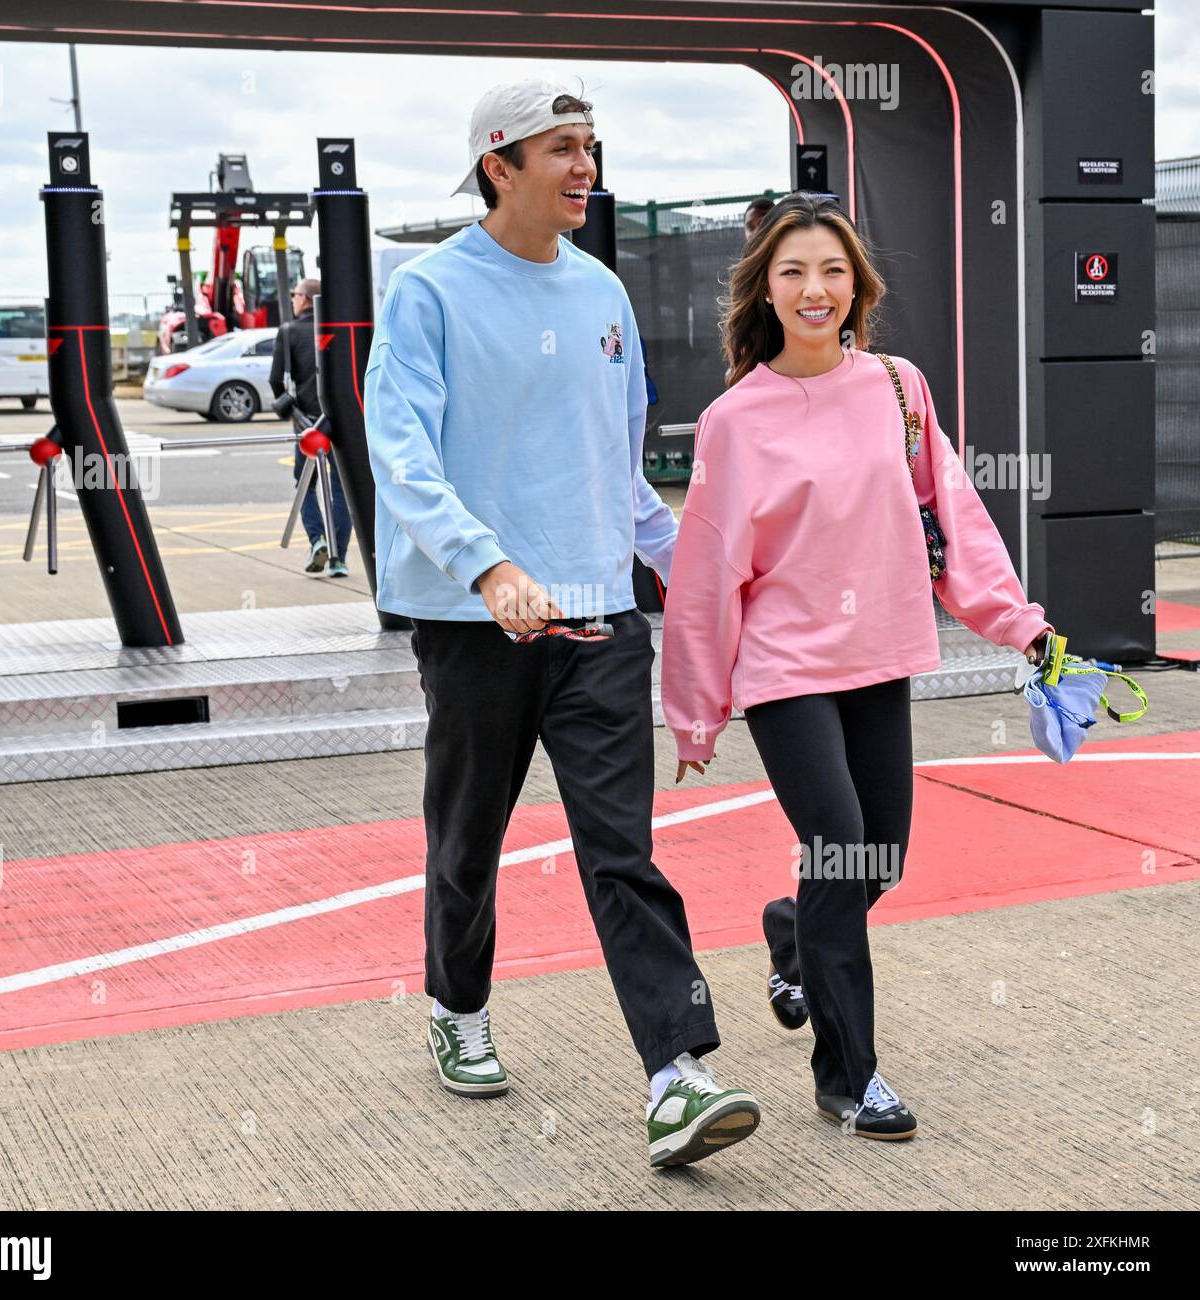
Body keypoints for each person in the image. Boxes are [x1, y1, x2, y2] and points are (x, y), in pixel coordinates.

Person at [363, 78, 761, 1168]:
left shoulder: (600, 292)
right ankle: (457, 1006)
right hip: (473, 621)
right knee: (467, 842)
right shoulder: (428, 292)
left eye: (590, 146)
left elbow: (619, 471)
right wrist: (487, 566)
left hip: (597, 618)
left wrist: (695, 575)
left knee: (622, 852)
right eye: (561, 149)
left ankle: (678, 1073)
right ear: (498, 167)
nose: (585, 168)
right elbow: (401, 454)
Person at [660, 191, 1054, 1141]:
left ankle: (790, 934)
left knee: (878, 860)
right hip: (786, 669)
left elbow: (953, 514)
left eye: (833, 270)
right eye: (793, 271)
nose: (816, 288)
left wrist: (1019, 623)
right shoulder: (733, 421)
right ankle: (850, 1077)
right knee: (839, 848)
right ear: (764, 289)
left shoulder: (897, 388)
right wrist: (696, 710)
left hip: (881, 653)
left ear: (857, 286)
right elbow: (707, 575)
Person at [268, 277, 353, 577]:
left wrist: (289, 407)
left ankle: (317, 540)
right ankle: (338, 558)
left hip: (307, 426)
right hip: (340, 423)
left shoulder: (288, 331)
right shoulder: (338, 328)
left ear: (304, 299)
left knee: (305, 484)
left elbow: (275, 380)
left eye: (295, 294)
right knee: (341, 489)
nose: (292, 299)